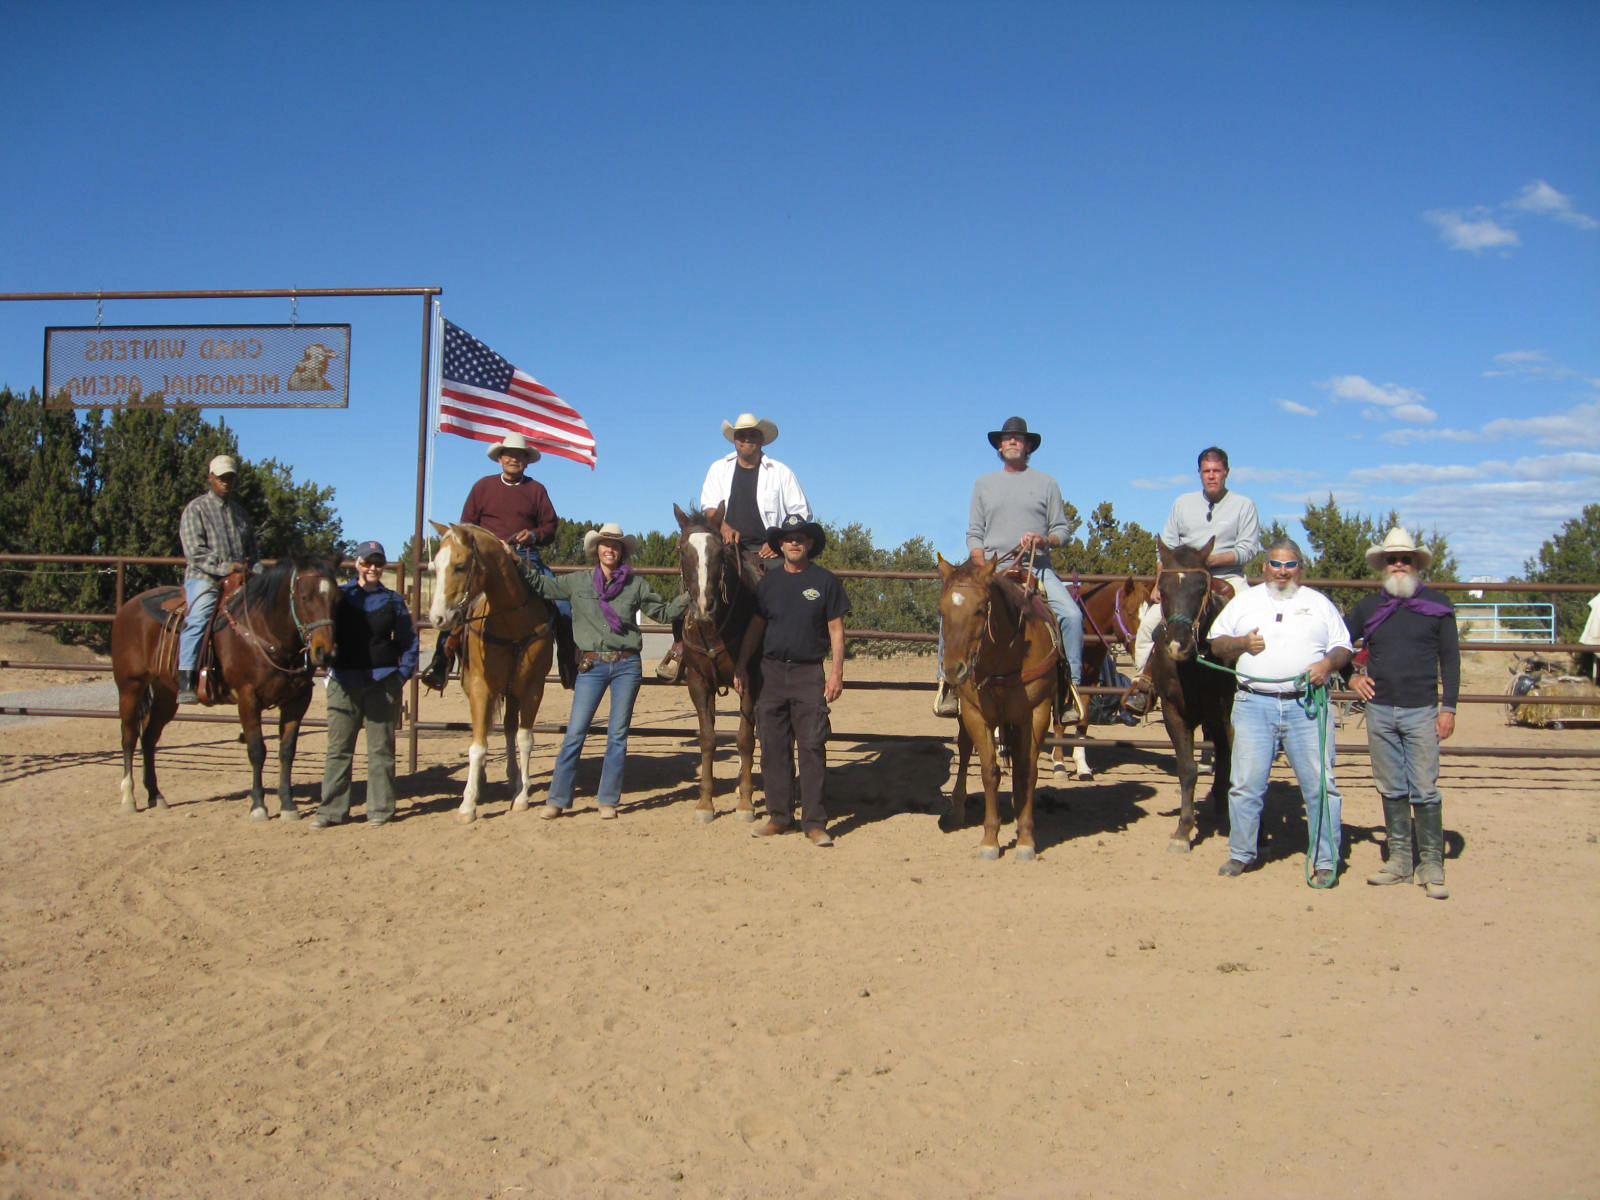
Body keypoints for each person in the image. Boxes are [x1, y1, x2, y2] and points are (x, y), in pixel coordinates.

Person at [519, 523, 689, 820]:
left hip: (626, 665)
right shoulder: (577, 582)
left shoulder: (635, 585)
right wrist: (518, 564)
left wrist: (690, 596)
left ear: (622, 551)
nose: (609, 549)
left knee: (617, 734)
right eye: (604, 544)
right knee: (575, 732)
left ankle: (607, 799)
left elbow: (662, 613)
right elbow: (543, 586)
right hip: (591, 664)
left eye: (615, 545)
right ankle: (558, 798)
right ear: (596, 549)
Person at [1208, 539, 1352, 886]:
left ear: (1300, 568)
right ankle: (1241, 852)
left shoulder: (1319, 604)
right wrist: (1242, 644)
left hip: (1306, 703)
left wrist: (1327, 664)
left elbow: (1343, 646)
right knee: (1245, 783)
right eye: (1276, 564)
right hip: (1254, 703)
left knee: (1321, 785)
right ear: (1264, 567)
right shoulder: (1245, 602)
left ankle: (1325, 858)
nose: (1282, 571)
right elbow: (1215, 643)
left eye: (1290, 565)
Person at [934, 416, 1082, 719]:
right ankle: (947, 684)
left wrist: (1044, 539)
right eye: (1007, 438)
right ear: (1000, 447)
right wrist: (978, 559)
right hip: (991, 570)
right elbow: (974, 531)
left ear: (1028, 446)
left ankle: (1068, 691)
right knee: (954, 609)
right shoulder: (983, 484)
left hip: (1036, 568)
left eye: (1018, 438)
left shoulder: (1047, 483)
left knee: (1071, 615)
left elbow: (1063, 531)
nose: (1012, 442)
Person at [1345, 528, 1459, 899]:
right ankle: (1399, 861)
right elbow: (1338, 643)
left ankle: (1431, 863)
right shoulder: (1367, 608)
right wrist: (1350, 677)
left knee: (1425, 788)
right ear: (1383, 564)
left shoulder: (1439, 605)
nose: (1398, 564)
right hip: (1379, 710)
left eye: (1405, 559)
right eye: (1392, 559)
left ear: (1415, 563)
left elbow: (1450, 660)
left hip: (1422, 710)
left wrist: (1449, 708)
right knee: (1391, 786)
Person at [658, 412, 812, 681]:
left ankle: (789, 652)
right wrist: (724, 527)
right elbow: (709, 506)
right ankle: (680, 647)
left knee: (788, 589)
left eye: (752, 435)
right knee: (686, 585)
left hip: (767, 549)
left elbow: (801, 512)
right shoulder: (719, 468)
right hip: (727, 545)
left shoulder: (781, 472)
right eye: (741, 435)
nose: (746, 440)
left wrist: (778, 541)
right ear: (735, 440)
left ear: (761, 440)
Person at [420, 432, 575, 689]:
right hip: (486, 559)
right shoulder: (483, 487)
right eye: (509, 454)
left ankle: (568, 662)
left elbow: (550, 525)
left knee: (562, 604)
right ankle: (441, 661)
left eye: (520, 455)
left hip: (525, 556)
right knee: (458, 599)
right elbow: (465, 526)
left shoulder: (536, 489)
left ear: (526, 461)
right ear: (500, 458)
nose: (514, 459)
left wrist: (534, 534)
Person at [736, 514, 850, 846]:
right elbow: (756, 627)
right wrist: (742, 664)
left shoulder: (826, 582)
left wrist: (837, 672)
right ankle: (779, 816)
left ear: (810, 543)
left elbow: (836, 629)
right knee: (773, 748)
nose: (794, 542)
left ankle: (814, 822)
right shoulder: (768, 585)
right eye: (788, 538)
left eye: (800, 537)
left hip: (808, 672)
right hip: (771, 672)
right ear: (780, 545)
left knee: (812, 746)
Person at [1126, 447, 1260, 715]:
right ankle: (1145, 686)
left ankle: (1254, 689)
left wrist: (1208, 561)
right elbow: (1166, 547)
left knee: (1253, 622)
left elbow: (1249, 548)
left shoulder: (1244, 505)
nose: (1212, 476)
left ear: (1227, 473)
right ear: (1199, 473)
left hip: (1227, 576)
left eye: (1217, 471)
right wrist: (1158, 583)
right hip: (1182, 580)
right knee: (1148, 627)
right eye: (1206, 471)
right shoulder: (1182, 503)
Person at [313, 542, 420, 828]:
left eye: (378, 563)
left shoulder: (393, 600)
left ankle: (380, 809)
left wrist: (401, 675)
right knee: (338, 748)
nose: (373, 568)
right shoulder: (340, 597)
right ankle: (331, 811)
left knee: (381, 748)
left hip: (382, 683)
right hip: (344, 682)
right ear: (357, 564)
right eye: (367, 563)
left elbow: (409, 641)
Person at [176, 453, 259, 704]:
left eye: (230, 477)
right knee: (200, 615)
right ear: (210, 478)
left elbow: (254, 552)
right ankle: (186, 678)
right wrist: (226, 567)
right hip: (205, 577)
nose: (226, 482)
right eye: (222, 477)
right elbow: (195, 552)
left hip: (240, 580)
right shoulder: (196, 509)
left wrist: (260, 573)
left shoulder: (241, 514)